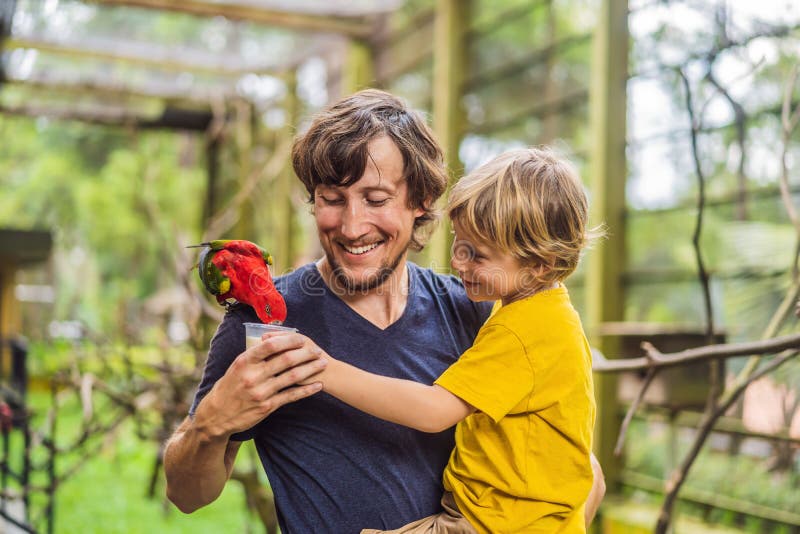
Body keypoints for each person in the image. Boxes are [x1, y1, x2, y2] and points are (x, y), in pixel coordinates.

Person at [163, 89, 605, 534]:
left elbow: (581, 474)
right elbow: (186, 496)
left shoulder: (474, 310)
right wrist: (209, 425)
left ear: (421, 201)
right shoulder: (262, 322)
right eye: (332, 199)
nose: (353, 226)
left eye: (376, 199)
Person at [284, 147, 598, 533]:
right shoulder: (545, 311)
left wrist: (323, 369)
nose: (459, 264)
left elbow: (434, 411)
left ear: (539, 264)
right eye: (460, 245)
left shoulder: (524, 331)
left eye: (478, 256)